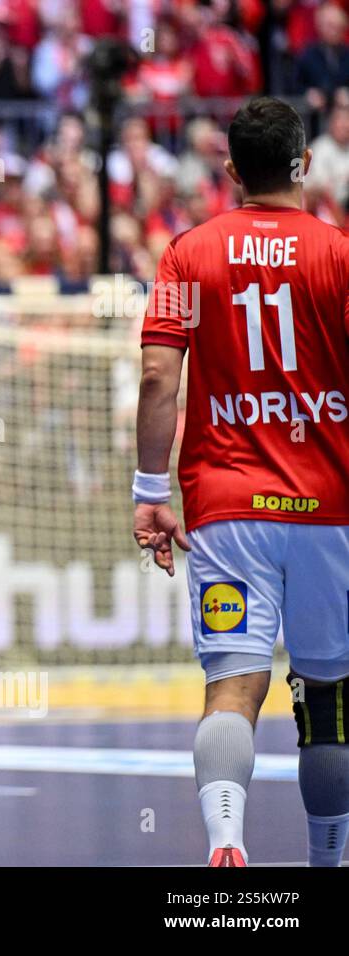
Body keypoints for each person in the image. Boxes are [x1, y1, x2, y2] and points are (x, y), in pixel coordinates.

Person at [136, 96, 349, 867]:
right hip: (330, 504)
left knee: (232, 684)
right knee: (328, 697)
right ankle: (327, 860)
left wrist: (147, 490)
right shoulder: (340, 253)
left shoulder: (188, 253)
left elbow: (160, 375)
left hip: (226, 504)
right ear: (306, 165)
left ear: (230, 171)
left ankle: (227, 841)